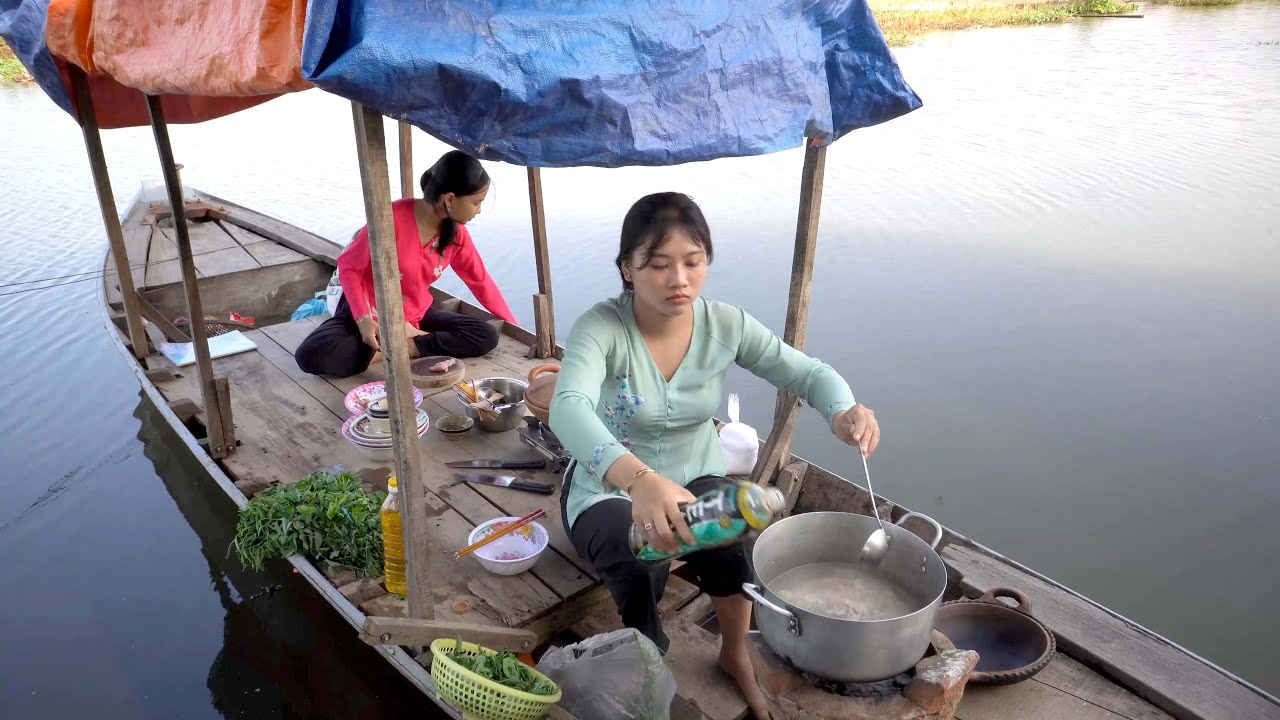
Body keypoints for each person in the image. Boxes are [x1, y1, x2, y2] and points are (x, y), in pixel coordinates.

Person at [548, 192, 881, 720]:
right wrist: (638, 481)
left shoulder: (725, 325)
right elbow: (567, 409)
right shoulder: (602, 328)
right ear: (627, 270)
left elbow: (808, 373)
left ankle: (733, 652)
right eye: (657, 265)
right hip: (607, 486)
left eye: (692, 261)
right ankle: (646, 658)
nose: (678, 279)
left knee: (733, 533)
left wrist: (843, 410)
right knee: (643, 552)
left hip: (693, 473)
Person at [294, 151, 516, 378]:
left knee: (485, 335)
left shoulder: (456, 233)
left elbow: (480, 281)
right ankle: (405, 341)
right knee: (309, 355)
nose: (478, 210)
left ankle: (406, 344)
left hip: (413, 316)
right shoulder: (390, 218)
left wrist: (513, 325)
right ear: (450, 199)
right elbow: (350, 268)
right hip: (369, 311)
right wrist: (363, 320)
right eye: (476, 203)